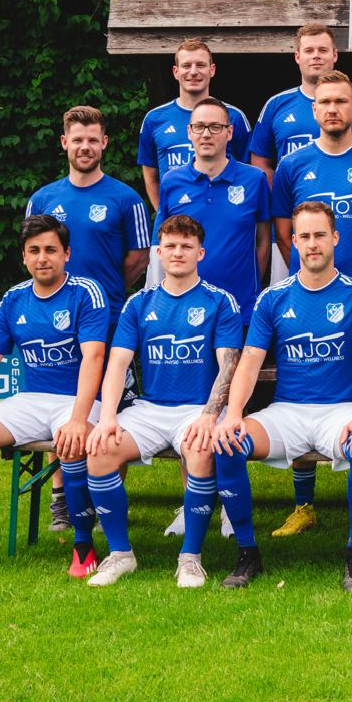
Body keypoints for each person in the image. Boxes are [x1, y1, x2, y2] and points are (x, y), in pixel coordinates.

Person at [191, 201, 352, 591]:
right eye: (305, 236)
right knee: (228, 443)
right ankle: (247, 554)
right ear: (294, 241)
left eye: (320, 235)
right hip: (287, 411)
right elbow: (248, 364)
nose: (313, 244)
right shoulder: (273, 297)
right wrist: (232, 413)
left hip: (342, 409)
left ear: (335, 238)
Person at [0, 215, 108, 578]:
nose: (42, 257)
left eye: (50, 250)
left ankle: (82, 544)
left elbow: (94, 357)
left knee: (72, 443)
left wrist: (79, 418)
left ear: (67, 254)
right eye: (34, 251)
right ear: (24, 257)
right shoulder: (14, 299)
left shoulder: (86, 292)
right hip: (31, 399)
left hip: (79, 399)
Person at [268, 70, 352, 536]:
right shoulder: (292, 166)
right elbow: (285, 232)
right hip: (307, 296)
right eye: (324, 102)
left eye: (341, 102)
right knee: (304, 387)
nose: (332, 110)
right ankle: (304, 505)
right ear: (314, 109)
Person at [83, 215, 245, 587]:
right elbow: (117, 364)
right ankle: (120, 554)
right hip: (149, 408)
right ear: (157, 252)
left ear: (200, 253)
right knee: (101, 448)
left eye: (186, 246)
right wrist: (107, 417)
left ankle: (190, 558)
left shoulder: (220, 302)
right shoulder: (138, 303)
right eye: (170, 246)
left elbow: (228, 366)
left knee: (201, 449)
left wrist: (210, 415)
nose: (177, 253)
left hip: (197, 409)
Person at [26, 105, 151, 530]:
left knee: (111, 405)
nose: (85, 146)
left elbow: (138, 257)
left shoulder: (126, 198)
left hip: (111, 321)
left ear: (104, 144)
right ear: (64, 143)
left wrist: (101, 296)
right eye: (77, 139)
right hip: (55, 322)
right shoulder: (43, 199)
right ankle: (62, 498)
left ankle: (104, 496)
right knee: (61, 403)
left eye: (92, 139)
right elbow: (34, 254)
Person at [157, 98, 272, 318]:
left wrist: (251, 286)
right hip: (185, 308)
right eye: (199, 127)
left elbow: (263, 240)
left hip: (240, 309)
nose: (206, 134)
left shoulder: (254, 179)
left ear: (229, 133)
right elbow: (167, 242)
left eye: (215, 127)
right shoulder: (171, 181)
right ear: (189, 132)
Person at [137, 39, 253, 213]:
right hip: (177, 223)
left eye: (200, 65)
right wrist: (165, 214)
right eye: (186, 66)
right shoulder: (154, 119)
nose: (193, 72)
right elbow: (151, 176)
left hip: (224, 216)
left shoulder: (234, 117)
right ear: (176, 72)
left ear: (211, 70)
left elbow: (248, 172)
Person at [248, 25, 352, 182]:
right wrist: (278, 199)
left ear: (334, 55)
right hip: (294, 202)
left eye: (323, 50)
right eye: (309, 51)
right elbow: (260, 162)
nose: (316, 56)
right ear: (297, 57)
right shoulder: (275, 105)